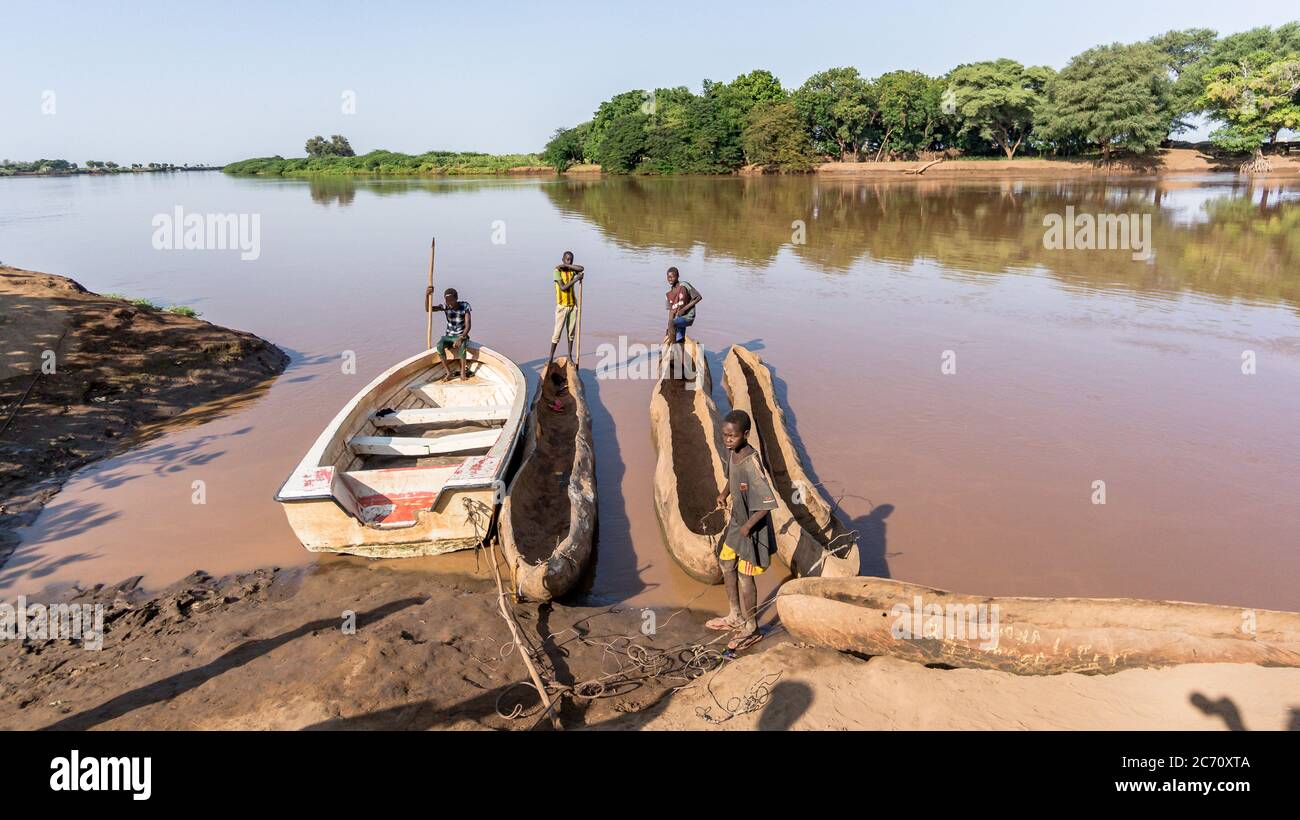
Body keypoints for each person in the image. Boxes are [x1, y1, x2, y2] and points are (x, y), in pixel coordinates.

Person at [706, 409, 777, 651]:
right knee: (726, 563)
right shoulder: (733, 455)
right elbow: (731, 478)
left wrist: (748, 526)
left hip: (752, 528)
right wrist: (724, 494)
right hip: (738, 522)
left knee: (746, 576)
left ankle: (751, 627)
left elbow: (768, 504)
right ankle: (734, 615)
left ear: (745, 435)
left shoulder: (751, 462)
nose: (727, 440)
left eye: (732, 437)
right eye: (724, 435)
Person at [548, 251, 584, 368]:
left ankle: (569, 357)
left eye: (571, 260)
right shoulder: (557, 272)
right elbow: (563, 288)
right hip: (562, 307)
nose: (569, 261)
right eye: (567, 260)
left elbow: (581, 268)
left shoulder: (571, 270)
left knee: (571, 333)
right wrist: (575, 279)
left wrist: (569, 267)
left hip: (572, 306)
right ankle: (550, 359)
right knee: (557, 333)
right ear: (562, 259)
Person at [427, 287, 472, 380]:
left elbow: (468, 326)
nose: (449, 303)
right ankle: (448, 372)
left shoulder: (465, 306)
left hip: (461, 335)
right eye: (447, 301)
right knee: (439, 346)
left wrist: (461, 337)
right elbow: (428, 309)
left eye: (451, 301)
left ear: (456, 298)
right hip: (449, 336)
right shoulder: (445, 306)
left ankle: (463, 373)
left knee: (462, 345)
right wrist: (427, 295)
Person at [664, 267, 701, 376]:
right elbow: (671, 312)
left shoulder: (684, 285)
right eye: (668, 277)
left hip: (688, 316)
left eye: (672, 276)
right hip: (678, 320)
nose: (670, 278)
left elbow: (698, 297)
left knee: (672, 325)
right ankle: (685, 370)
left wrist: (684, 309)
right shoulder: (669, 295)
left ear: (678, 276)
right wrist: (669, 328)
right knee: (680, 342)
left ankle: (673, 352)